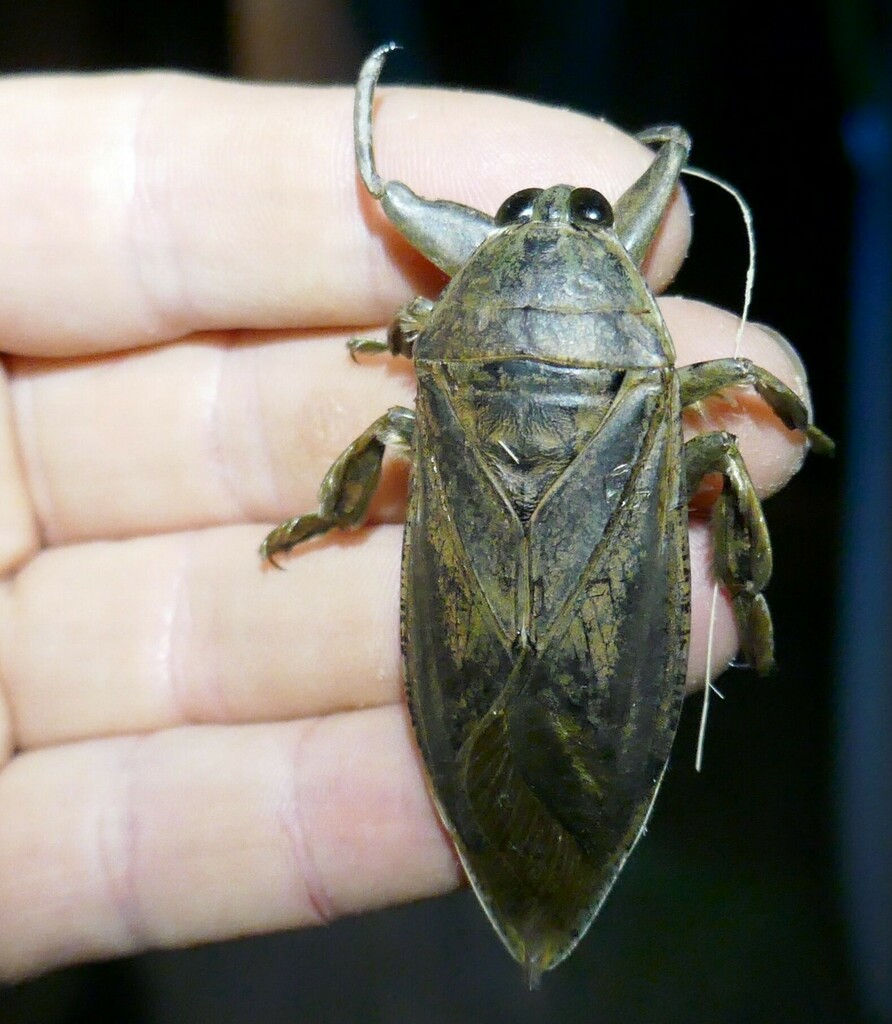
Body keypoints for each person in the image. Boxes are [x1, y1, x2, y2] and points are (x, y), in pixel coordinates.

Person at [0, 71, 817, 980]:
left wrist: (400, 325)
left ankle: (343, 526)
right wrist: (676, 166)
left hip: (481, 451)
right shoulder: (609, 349)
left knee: (397, 429)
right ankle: (736, 602)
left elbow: (405, 282)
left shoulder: (444, 333)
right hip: (603, 492)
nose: (550, 215)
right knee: (734, 453)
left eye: (578, 213)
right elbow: (759, 391)